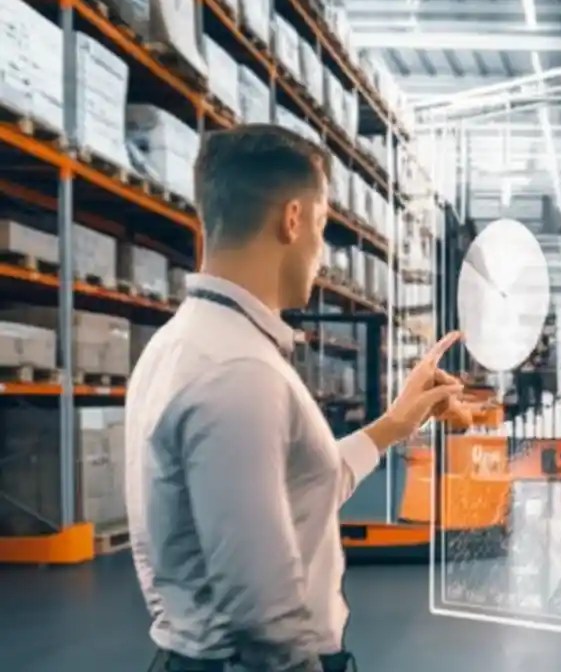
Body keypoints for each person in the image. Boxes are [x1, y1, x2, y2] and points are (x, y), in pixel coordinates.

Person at [125, 125, 467, 672]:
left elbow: (304, 489)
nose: (321, 253)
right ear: (292, 219)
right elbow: (263, 612)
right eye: (324, 226)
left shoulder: (182, 345)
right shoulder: (238, 372)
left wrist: (395, 423)